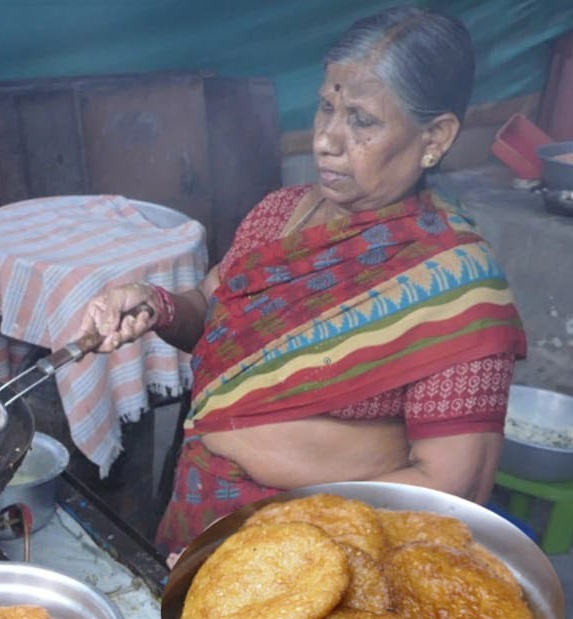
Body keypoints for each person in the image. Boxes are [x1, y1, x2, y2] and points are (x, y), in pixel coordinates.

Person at [78, 6, 527, 555]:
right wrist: (156, 305)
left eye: (361, 120)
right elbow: (212, 312)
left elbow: (453, 490)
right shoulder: (279, 215)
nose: (325, 140)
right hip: (195, 523)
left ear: (435, 136)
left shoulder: (456, 290)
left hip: (319, 558)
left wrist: (277, 536)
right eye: (326, 108)